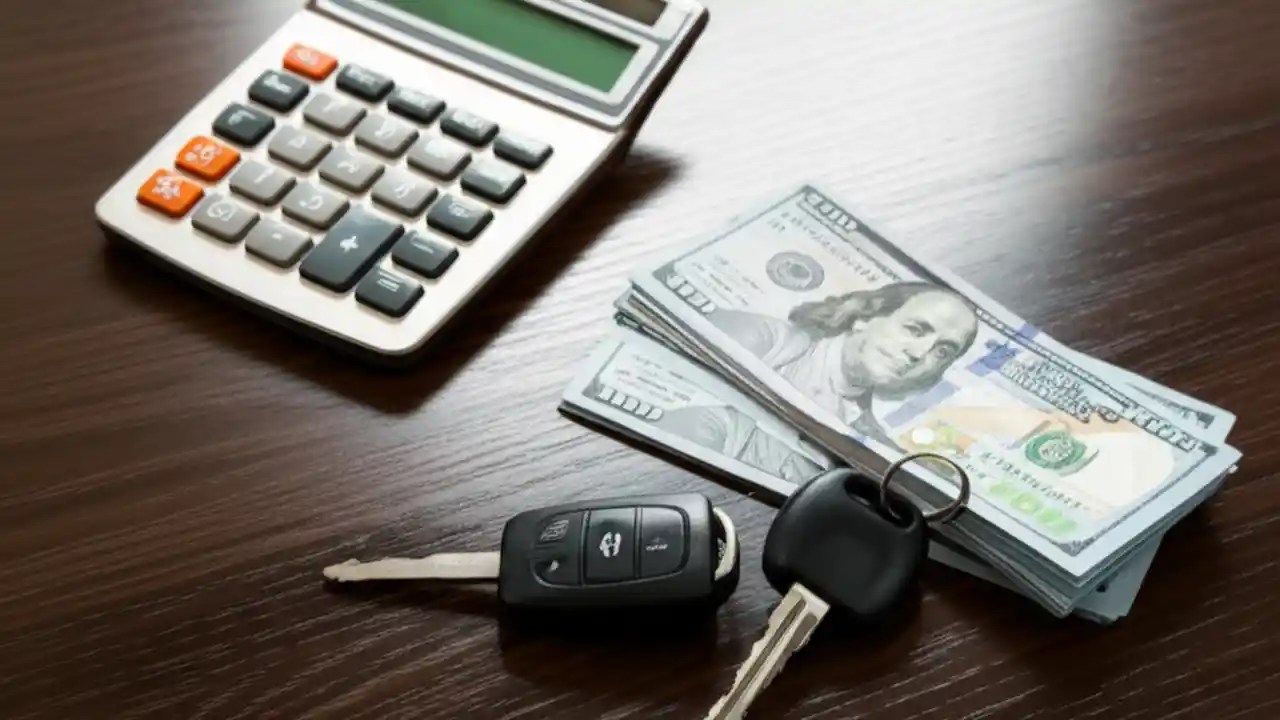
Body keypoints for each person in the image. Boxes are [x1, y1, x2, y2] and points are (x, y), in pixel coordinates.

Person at [712, 281, 979, 447]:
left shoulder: (872, 440)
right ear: (865, 317)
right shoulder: (763, 339)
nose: (920, 353)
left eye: (943, 351)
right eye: (915, 330)